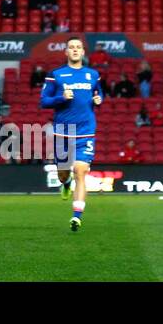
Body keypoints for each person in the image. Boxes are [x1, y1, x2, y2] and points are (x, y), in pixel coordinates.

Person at [40, 37, 102, 233]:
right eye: (71, 47)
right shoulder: (56, 75)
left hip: (86, 131)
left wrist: (99, 99)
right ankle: (65, 184)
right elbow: (44, 101)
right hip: (64, 132)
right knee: (63, 174)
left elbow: (98, 94)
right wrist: (61, 98)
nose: (75, 50)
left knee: (81, 172)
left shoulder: (93, 75)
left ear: (83, 52)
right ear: (66, 52)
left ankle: (77, 216)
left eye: (78, 47)